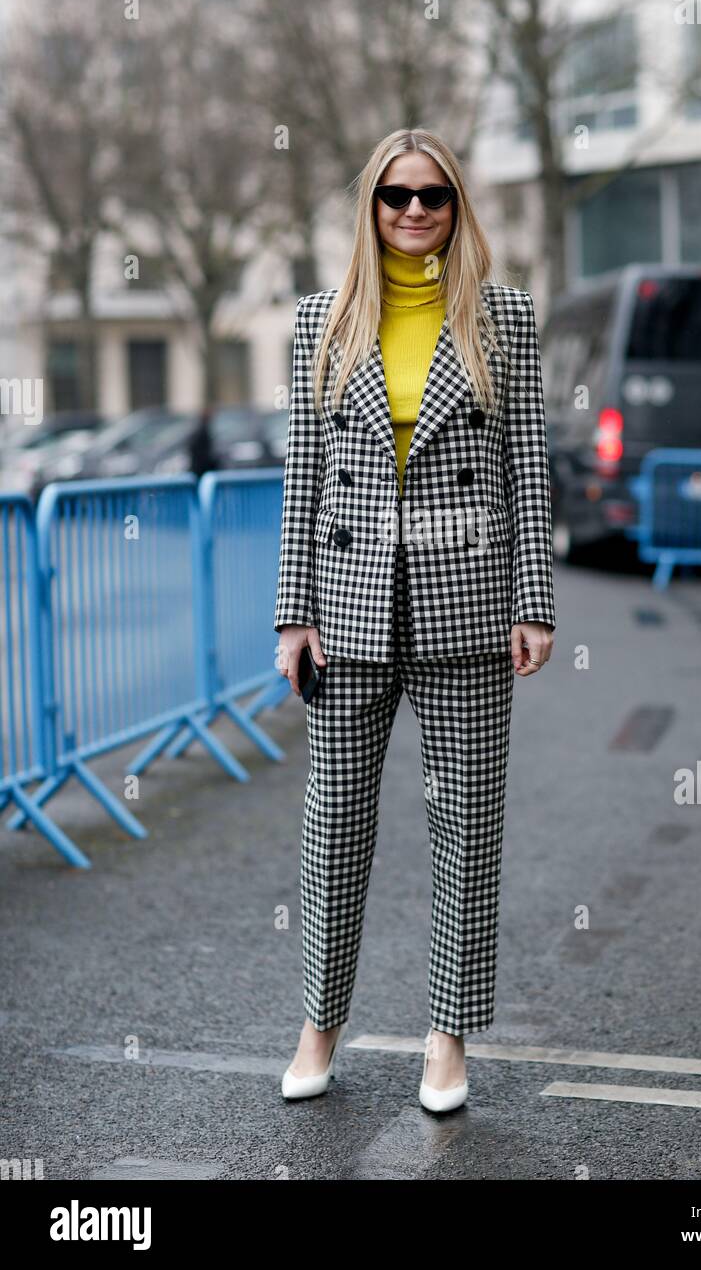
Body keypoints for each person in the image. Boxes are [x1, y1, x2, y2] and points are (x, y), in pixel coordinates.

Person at [274, 127, 555, 1112]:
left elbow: (527, 464)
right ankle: (319, 1024)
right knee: (334, 831)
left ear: (455, 205)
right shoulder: (321, 320)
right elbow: (301, 478)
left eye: (431, 195)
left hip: (467, 609)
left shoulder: (504, 319)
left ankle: (446, 1040)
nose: (411, 211)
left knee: (466, 833)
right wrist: (289, 617)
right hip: (347, 612)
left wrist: (534, 602)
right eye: (393, 196)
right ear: (369, 205)